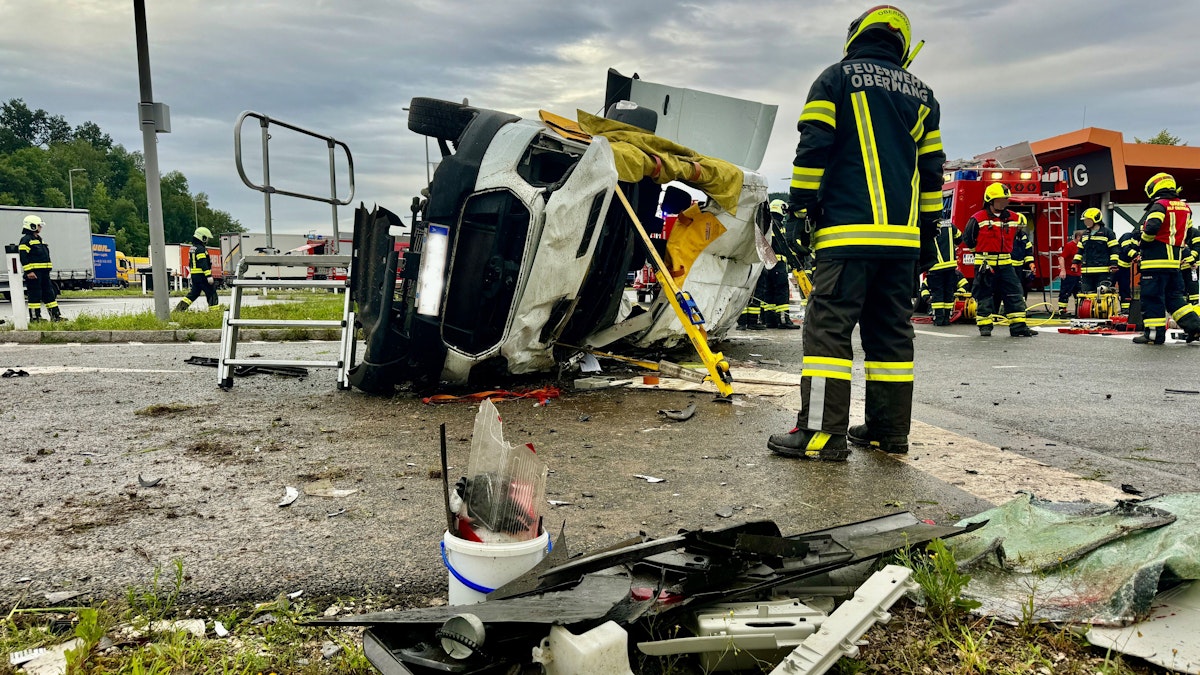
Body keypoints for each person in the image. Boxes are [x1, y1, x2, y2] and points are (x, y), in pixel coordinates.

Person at [767, 5, 944, 461]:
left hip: (847, 235)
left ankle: (822, 437)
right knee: (890, 338)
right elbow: (931, 175)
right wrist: (925, 235)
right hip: (902, 244)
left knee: (828, 335)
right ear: (901, 44)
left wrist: (799, 210)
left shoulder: (835, 79)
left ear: (856, 36)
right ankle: (889, 432)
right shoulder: (923, 95)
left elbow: (813, 149)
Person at [963, 183, 1038, 337]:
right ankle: (985, 327)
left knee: (1015, 294)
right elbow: (968, 239)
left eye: (1006, 199)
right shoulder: (977, 218)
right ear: (990, 200)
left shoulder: (1013, 217)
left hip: (1006, 264)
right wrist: (981, 255)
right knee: (984, 295)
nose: (1004, 202)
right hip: (986, 264)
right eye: (1001, 200)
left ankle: (1018, 327)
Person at [1134, 173, 1200, 344]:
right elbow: (1190, 233)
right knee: (1175, 299)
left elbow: (1152, 228)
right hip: (1174, 264)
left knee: (1152, 298)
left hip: (1155, 263)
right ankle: (1195, 328)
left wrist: (1144, 243)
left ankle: (1154, 335)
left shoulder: (1159, 205)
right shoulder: (1185, 208)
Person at [17, 215, 62, 322]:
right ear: (32, 226)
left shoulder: (38, 239)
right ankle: (35, 318)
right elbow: (23, 256)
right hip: (34, 274)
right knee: (34, 295)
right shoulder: (26, 240)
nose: (40, 227)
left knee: (49, 294)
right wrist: (29, 271)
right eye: (38, 225)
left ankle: (55, 316)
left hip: (44, 273)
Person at [175, 227, 220, 312]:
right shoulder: (201, 249)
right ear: (202, 237)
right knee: (212, 293)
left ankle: (178, 310)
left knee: (193, 294)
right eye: (206, 238)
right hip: (202, 276)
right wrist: (208, 275)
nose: (207, 240)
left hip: (195, 276)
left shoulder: (193, 248)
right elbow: (203, 262)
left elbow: (191, 263)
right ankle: (215, 313)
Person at [1074, 208, 1118, 294]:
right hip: (1087, 272)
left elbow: (1114, 250)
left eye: (1088, 220)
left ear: (1096, 220)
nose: (1086, 222)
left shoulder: (1108, 233)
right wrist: (1075, 262)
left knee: (1101, 296)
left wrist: (1114, 264)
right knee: (1086, 297)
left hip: (1103, 271)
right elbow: (1080, 251)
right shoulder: (1085, 235)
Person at [926, 220, 961, 325]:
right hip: (950, 265)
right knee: (948, 291)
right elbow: (959, 238)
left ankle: (939, 318)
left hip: (935, 265)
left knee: (938, 293)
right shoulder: (949, 225)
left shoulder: (928, 225)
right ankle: (947, 318)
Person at [1057, 229, 1084, 315]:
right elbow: (1061, 258)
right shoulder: (1069, 246)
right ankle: (1062, 310)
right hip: (1069, 274)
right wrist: (1063, 270)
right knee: (1065, 292)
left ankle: (1079, 311)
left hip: (1078, 274)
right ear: (1078, 237)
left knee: (1078, 294)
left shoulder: (1081, 247)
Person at [1113, 228, 1139, 314]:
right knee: (1110, 288)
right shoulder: (1127, 236)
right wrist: (1136, 255)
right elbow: (1126, 249)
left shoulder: (1139, 241)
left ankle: (1125, 309)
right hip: (1116, 266)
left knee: (1125, 289)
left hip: (1125, 267)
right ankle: (1110, 307)